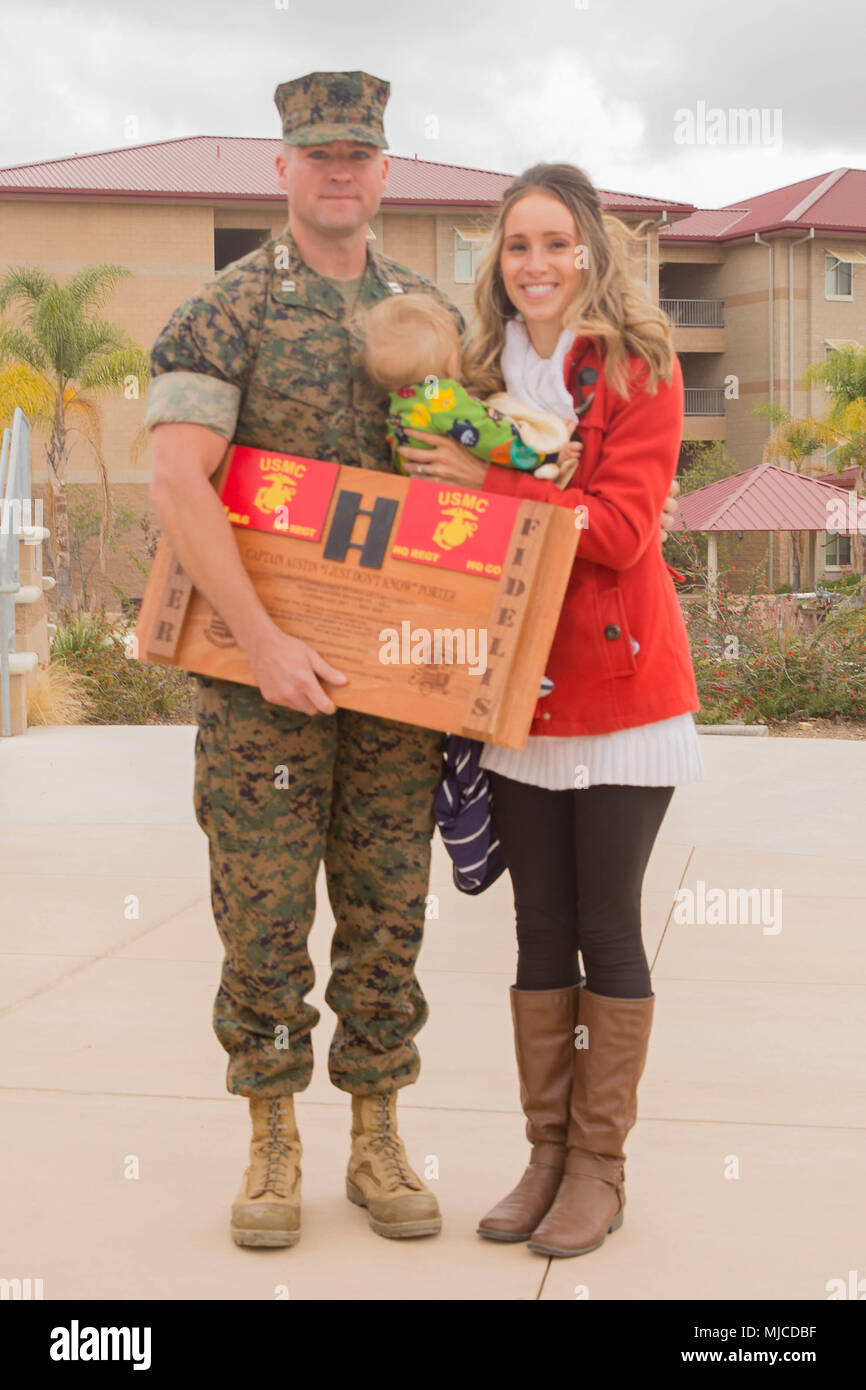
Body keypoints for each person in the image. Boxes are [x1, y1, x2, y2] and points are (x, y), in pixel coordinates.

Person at [144, 70, 467, 1248]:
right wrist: (266, 643)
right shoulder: (219, 313)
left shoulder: (429, 315)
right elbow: (181, 483)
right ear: (282, 169)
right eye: (319, 153)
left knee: (387, 907)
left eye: (360, 154)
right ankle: (271, 1144)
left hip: (391, 680)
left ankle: (377, 1136)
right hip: (256, 681)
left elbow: (470, 490)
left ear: (384, 173)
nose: (340, 171)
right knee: (265, 912)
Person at [395, 162, 703, 1258]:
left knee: (605, 929)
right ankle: (543, 1153)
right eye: (516, 245)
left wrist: (495, 488)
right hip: (510, 692)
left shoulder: (637, 367)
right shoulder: (470, 370)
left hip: (620, 694)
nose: (534, 264)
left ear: (590, 254)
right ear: (498, 259)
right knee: (536, 931)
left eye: (555, 244)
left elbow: (619, 533)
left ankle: (599, 1167)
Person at [360, 291, 581, 483]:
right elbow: (491, 439)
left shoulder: (401, 405)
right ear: (452, 362)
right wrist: (548, 455)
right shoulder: (441, 397)